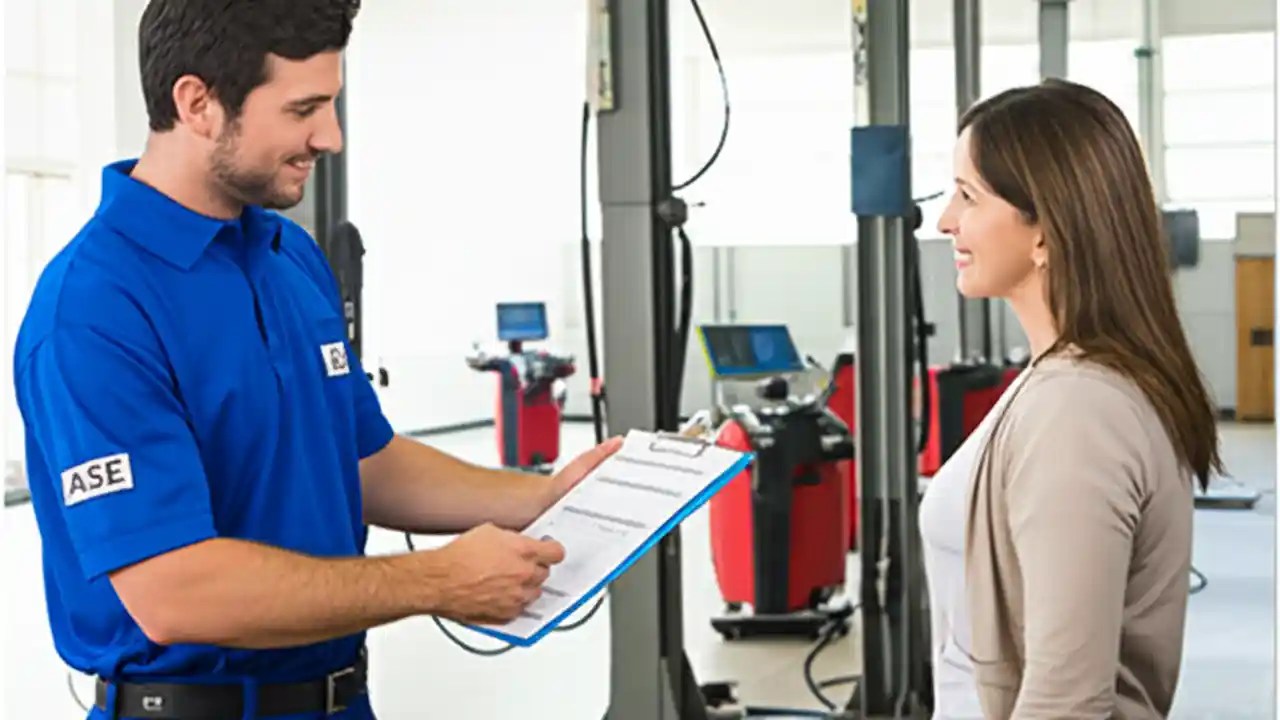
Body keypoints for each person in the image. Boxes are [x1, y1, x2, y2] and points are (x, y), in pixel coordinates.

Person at [11, 2, 621, 719]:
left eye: (331, 103)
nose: (328, 136)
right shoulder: (95, 307)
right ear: (197, 102)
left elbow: (364, 461)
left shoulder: (288, 255)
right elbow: (174, 591)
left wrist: (545, 496)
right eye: (304, 108)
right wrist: (435, 581)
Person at [919, 78, 1223, 719]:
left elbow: (1065, 703)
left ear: (1046, 232)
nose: (946, 219)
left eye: (968, 195)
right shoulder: (1059, 381)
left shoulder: (1078, 410)